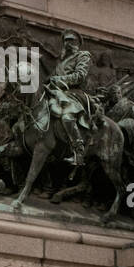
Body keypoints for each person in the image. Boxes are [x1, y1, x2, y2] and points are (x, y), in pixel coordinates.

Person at [46, 31, 94, 166]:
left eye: (71, 40)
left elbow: (80, 75)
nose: (68, 43)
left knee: (67, 116)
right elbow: (50, 79)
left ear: (78, 43)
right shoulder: (61, 61)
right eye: (66, 41)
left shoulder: (83, 56)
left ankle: (78, 152)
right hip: (57, 93)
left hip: (74, 93)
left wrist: (60, 79)